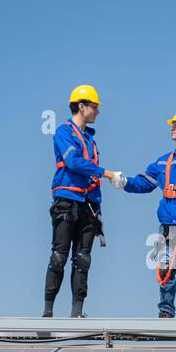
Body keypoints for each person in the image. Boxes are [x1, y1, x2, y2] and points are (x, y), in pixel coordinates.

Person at [108, 108, 176, 318]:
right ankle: (166, 312)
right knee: (166, 269)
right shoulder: (163, 161)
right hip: (169, 221)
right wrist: (124, 182)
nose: (172, 127)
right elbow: (144, 182)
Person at [43, 84, 122, 318]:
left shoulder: (90, 138)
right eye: (94, 107)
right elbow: (74, 162)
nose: (97, 111)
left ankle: (77, 313)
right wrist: (106, 173)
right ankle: (48, 312)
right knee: (59, 256)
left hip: (89, 204)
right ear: (82, 106)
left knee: (82, 259)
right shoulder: (63, 132)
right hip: (67, 201)